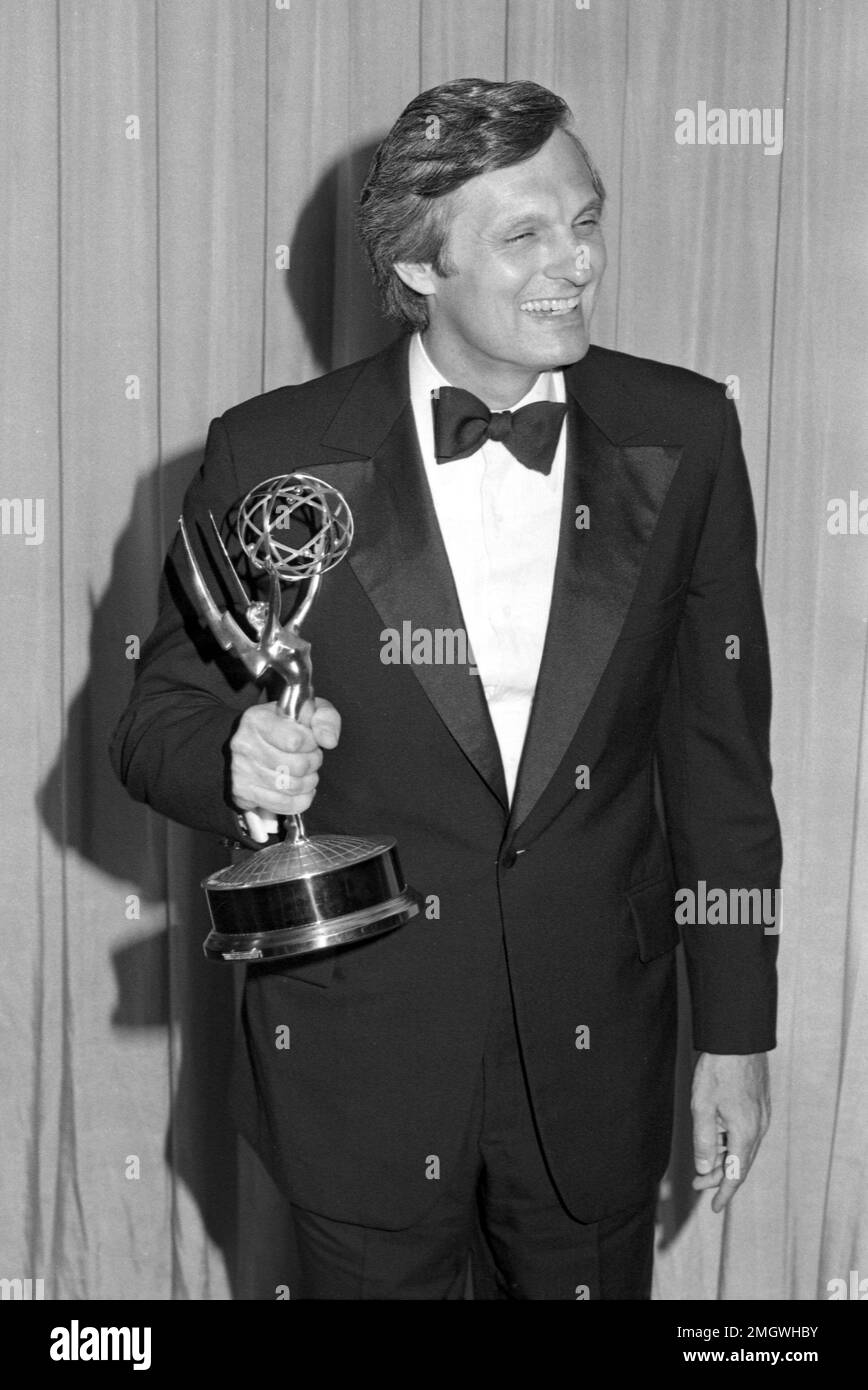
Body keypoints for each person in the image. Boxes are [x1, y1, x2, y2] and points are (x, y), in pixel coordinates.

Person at [110, 78, 781, 1300]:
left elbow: (721, 758)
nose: (573, 264)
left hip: (597, 1053)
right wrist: (233, 757)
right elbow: (157, 717)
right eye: (524, 235)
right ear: (418, 268)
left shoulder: (685, 433)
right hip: (360, 1049)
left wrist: (736, 1031)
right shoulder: (273, 451)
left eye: (584, 221)